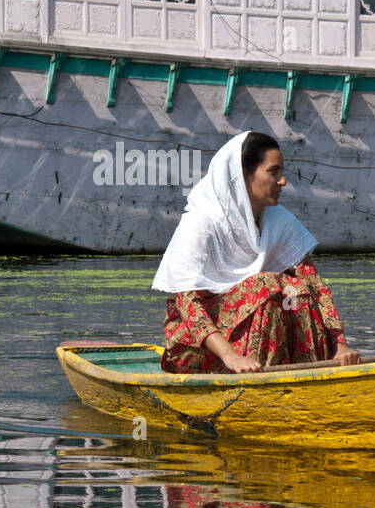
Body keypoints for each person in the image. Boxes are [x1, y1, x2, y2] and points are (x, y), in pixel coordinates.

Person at [152, 130, 361, 374]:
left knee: (299, 290)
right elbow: (187, 303)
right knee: (267, 285)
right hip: (198, 347)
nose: (282, 181)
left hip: (251, 343)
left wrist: (341, 345)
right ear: (242, 176)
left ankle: (303, 373)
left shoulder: (278, 220)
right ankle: (255, 379)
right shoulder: (202, 221)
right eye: (273, 172)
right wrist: (230, 356)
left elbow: (316, 286)